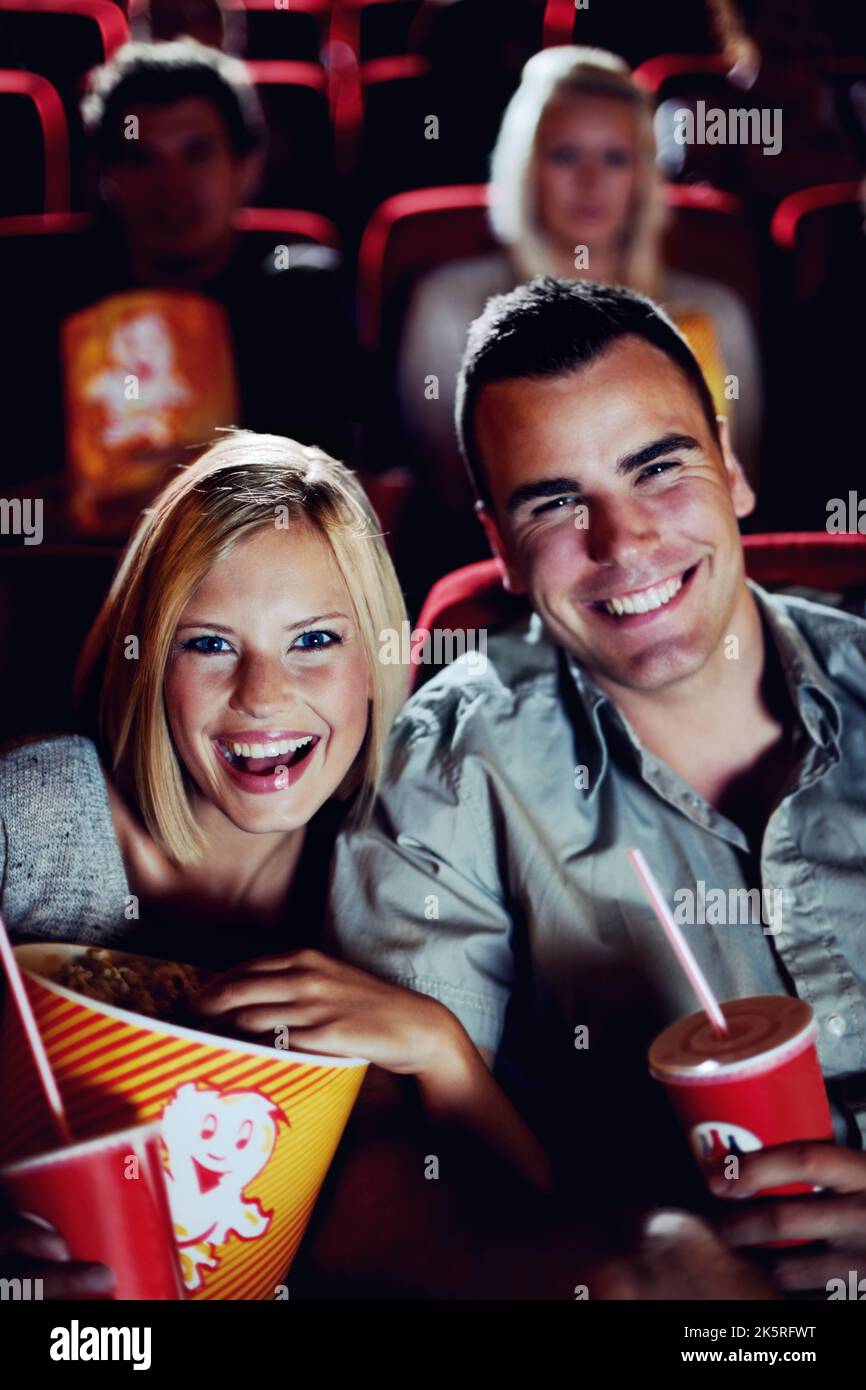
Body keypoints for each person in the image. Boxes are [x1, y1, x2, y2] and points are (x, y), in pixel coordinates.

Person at [329, 278, 866, 1296]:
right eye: (554, 503)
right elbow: (369, 1178)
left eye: (657, 468)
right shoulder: (448, 772)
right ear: (497, 545)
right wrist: (612, 1260)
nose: (622, 544)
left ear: (730, 465)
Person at [0, 431, 550, 1297]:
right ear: (145, 662)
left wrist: (440, 1051)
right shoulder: (27, 818)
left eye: (315, 640)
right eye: (209, 644)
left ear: (377, 660)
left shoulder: (399, 873)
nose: (262, 694)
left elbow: (541, 1242)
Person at [396, 45, 762, 591]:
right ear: (525, 168)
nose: (590, 180)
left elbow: (741, 478)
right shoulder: (448, 303)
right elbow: (455, 491)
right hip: (520, 584)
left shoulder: (712, 311)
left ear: (643, 175)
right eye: (566, 156)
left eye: (614, 158)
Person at [3, 40, 354, 533]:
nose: (171, 185)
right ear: (107, 178)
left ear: (246, 167)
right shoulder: (39, 297)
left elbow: (342, 497)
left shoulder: (298, 297)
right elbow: (11, 507)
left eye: (196, 153)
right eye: (141, 157)